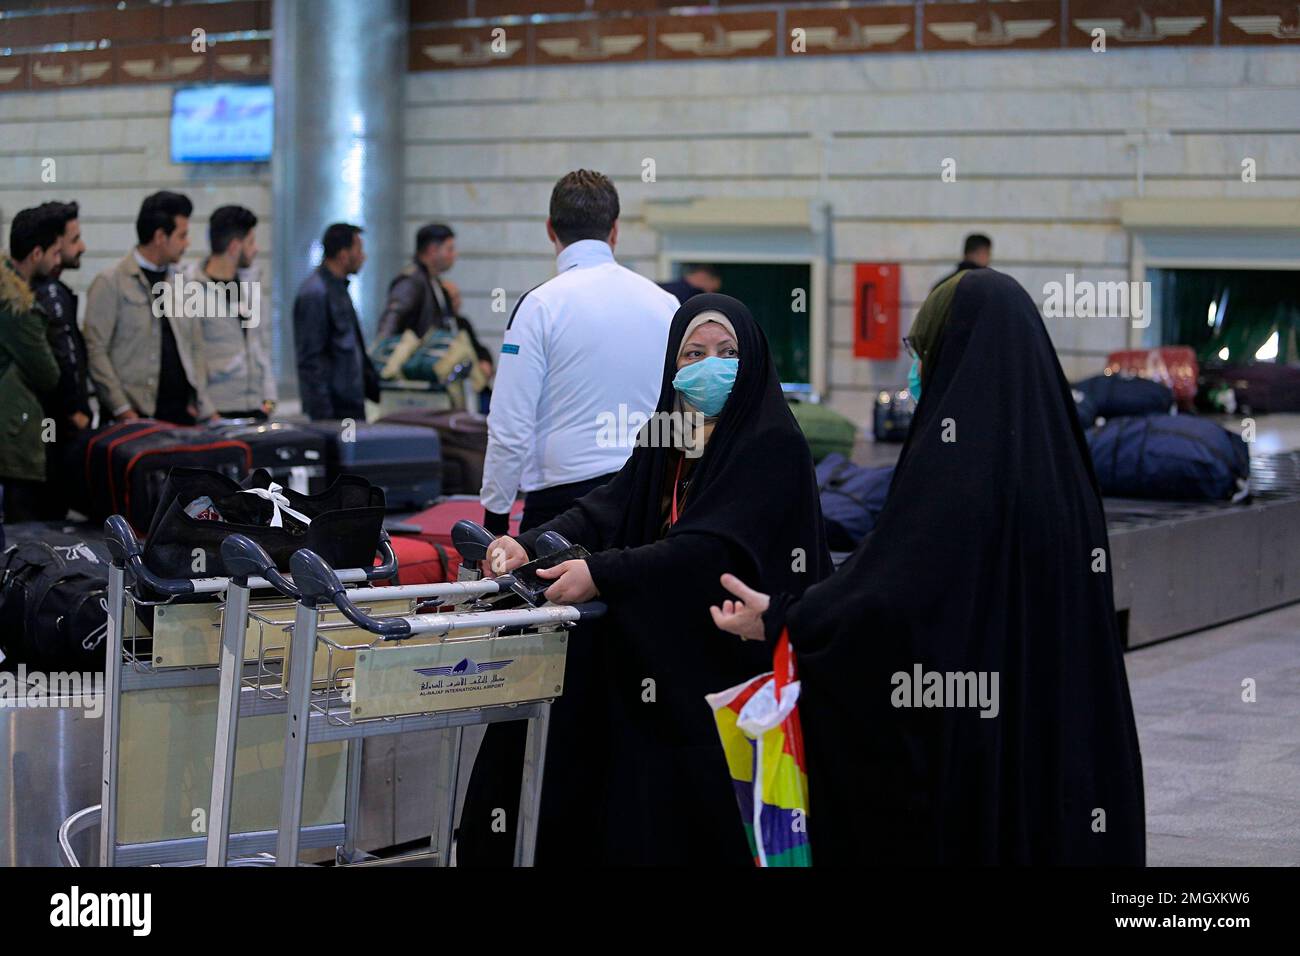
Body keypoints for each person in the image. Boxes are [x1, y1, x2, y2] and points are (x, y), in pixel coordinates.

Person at [711, 269, 1146, 866]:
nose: (915, 368)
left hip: (968, 758)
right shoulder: (1061, 466)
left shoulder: (954, 465)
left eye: (921, 350)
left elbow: (892, 594)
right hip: (1053, 752)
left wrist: (788, 616)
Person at [458, 293, 832, 866]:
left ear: (752, 358)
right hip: (664, 650)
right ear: (673, 367)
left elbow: (708, 553)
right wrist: (525, 541)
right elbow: (608, 505)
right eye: (694, 353)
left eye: (728, 352)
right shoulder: (672, 435)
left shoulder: (769, 444)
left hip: (728, 667)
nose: (712, 365)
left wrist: (600, 574)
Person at [480, 169, 678, 536]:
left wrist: (494, 520)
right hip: (646, 498)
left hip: (564, 505)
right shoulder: (666, 305)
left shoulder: (539, 306)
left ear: (550, 229)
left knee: (558, 597)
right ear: (615, 231)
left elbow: (510, 424)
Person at [84, 190, 214, 425]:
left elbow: (196, 346)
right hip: (132, 421)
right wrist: (123, 409)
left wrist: (201, 401)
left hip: (181, 419)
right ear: (160, 237)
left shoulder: (183, 283)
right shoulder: (111, 282)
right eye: (182, 236)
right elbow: (96, 350)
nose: (187, 243)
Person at [0, 207, 63, 523]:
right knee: (20, 534)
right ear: (36, 253)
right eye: (54, 252)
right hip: (13, 435)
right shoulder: (17, 308)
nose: (58, 261)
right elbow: (48, 373)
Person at [184, 205, 276, 419]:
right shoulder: (192, 291)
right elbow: (190, 356)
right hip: (218, 414)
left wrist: (270, 404)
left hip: (257, 411)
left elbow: (261, 348)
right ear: (235, 247)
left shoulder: (250, 287)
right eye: (251, 242)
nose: (256, 249)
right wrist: (209, 413)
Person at [375, 222, 493, 381]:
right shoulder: (411, 282)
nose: (454, 255)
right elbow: (389, 325)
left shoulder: (432, 282)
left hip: (429, 372)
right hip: (416, 375)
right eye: (449, 249)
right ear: (432, 250)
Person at [292, 222, 377, 421]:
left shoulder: (338, 289)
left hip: (349, 403)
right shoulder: (315, 293)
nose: (363, 256)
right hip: (333, 409)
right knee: (341, 452)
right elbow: (311, 359)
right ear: (343, 254)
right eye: (359, 249)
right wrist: (323, 415)